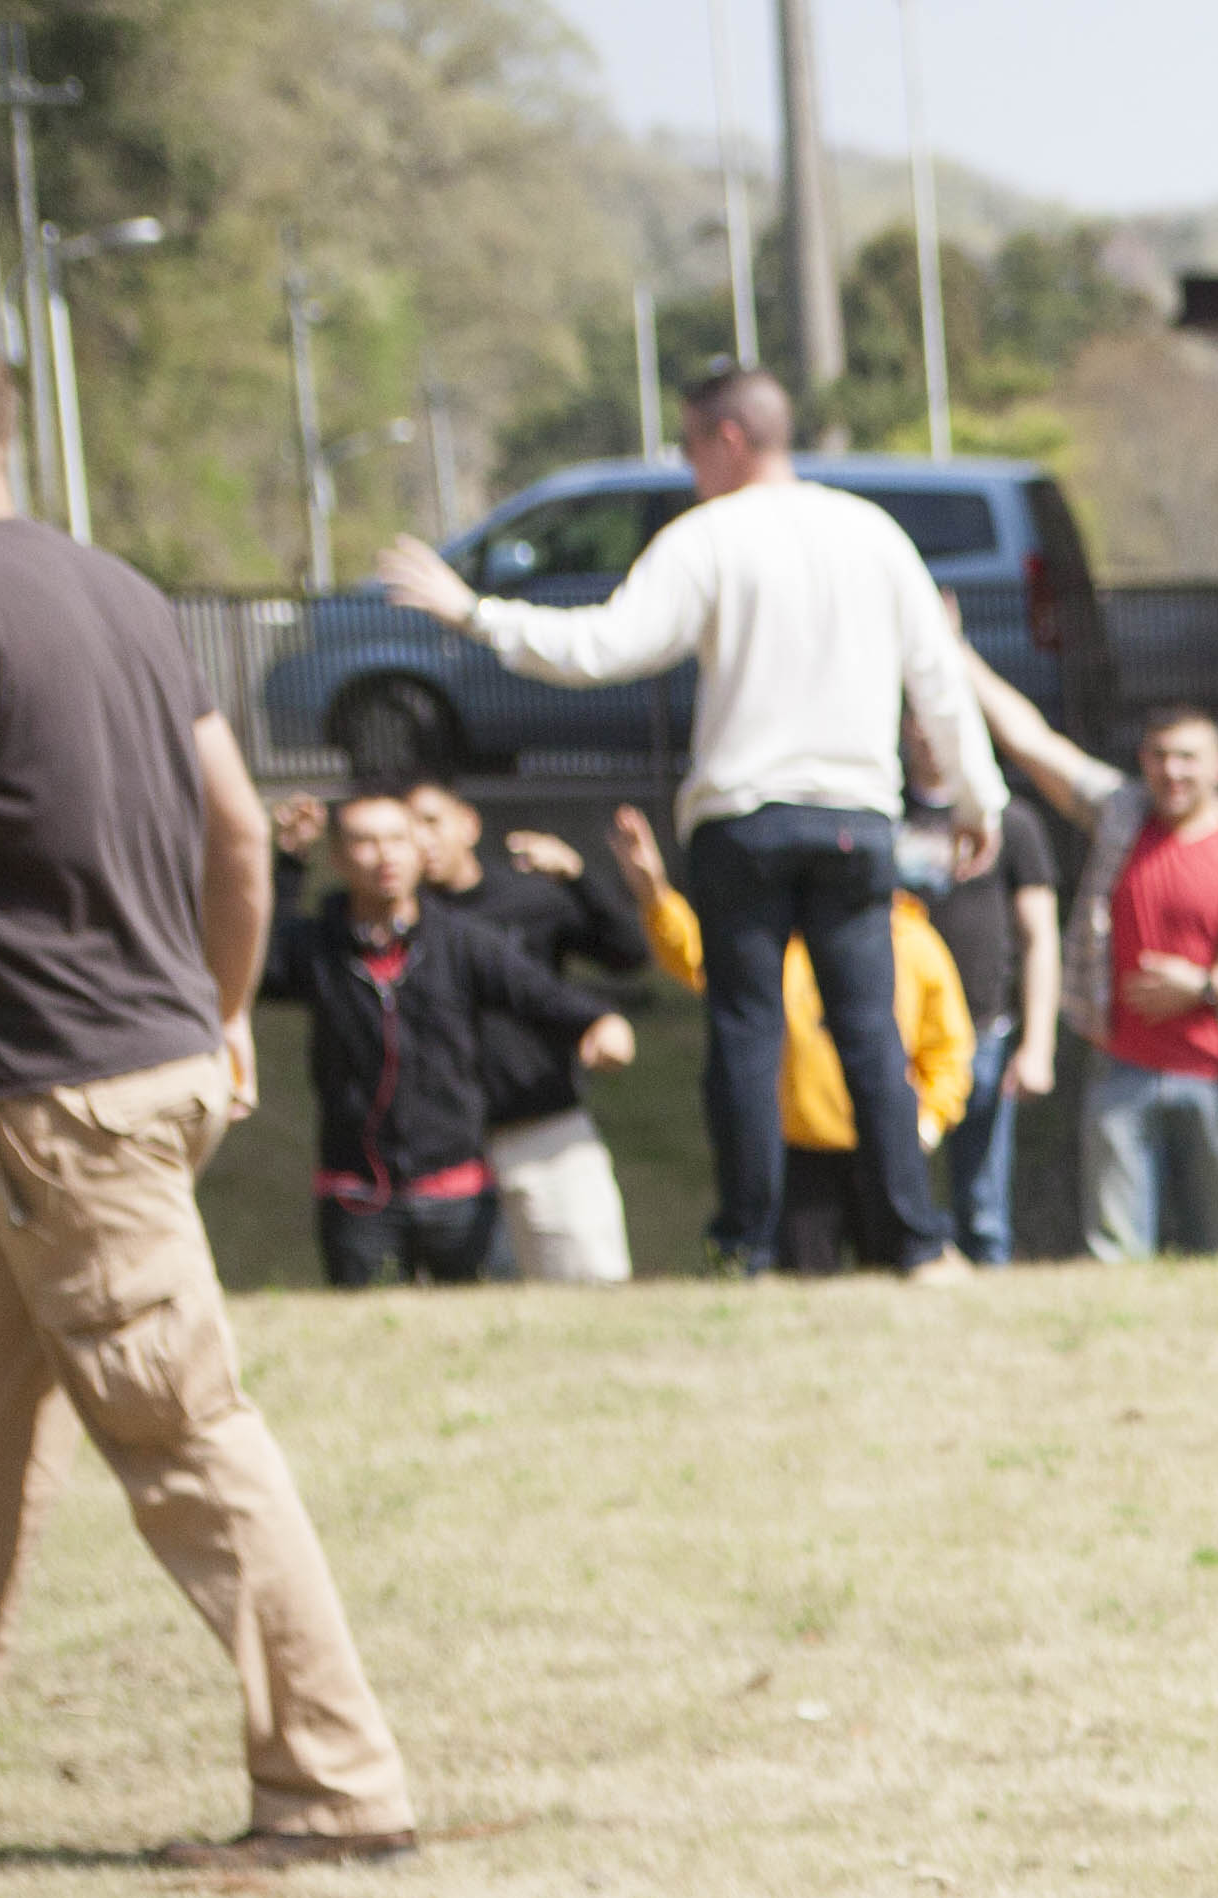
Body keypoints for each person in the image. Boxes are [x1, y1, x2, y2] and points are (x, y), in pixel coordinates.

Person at [0, 300, 416, 1872]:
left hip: (61, 1100)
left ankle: (335, 1782)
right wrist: (221, 1015)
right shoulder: (116, 589)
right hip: (125, 1074)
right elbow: (240, 831)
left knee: (186, 1437)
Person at [377, 365, 998, 1279]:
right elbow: (938, 676)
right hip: (854, 820)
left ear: (729, 439)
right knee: (867, 1030)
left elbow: (606, 645)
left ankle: (744, 1244)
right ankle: (915, 1240)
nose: (685, 463)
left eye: (689, 443)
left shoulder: (710, 535)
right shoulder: (875, 535)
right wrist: (979, 796)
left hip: (744, 818)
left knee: (747, 1031)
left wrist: (475, 613)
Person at [980, 691, 1218, 1262]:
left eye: (1188, 757)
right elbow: (1031, 741)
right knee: (1114, 1252)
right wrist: (950, 648)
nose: (1172, 772)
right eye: (1159, 756)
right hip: (1123, 1070)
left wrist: (1202, 985)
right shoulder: (1120, 815)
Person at [265, 784, 632, 1287]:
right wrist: (286, 866)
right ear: (339, 856)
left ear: (419, 848)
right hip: (357, 1198)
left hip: (457, 1192)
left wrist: (599, 1022)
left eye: (398, 838)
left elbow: (539, 994)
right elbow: (261, 968)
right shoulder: (320, 947)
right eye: (365, 842)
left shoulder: (460, 940)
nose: (384, 855)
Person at [603, 801, 974, 1277]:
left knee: (898, 1278)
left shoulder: (914, 943)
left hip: (885, 1157)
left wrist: (926, 1124)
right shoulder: (775, 947)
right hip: (801, 1159)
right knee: (800, 1289)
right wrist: (653, 892)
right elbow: (699, 958)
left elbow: (948, 1049)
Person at [902, 748, 1056, 1266]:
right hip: (895, 1042)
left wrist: (1038, 1045)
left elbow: (1040, 938)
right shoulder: (880, 815)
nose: (926, 729)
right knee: (898, 1195)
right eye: (914, 713)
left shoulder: (1010, 820)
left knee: (983, 1209)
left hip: (984, 1035)